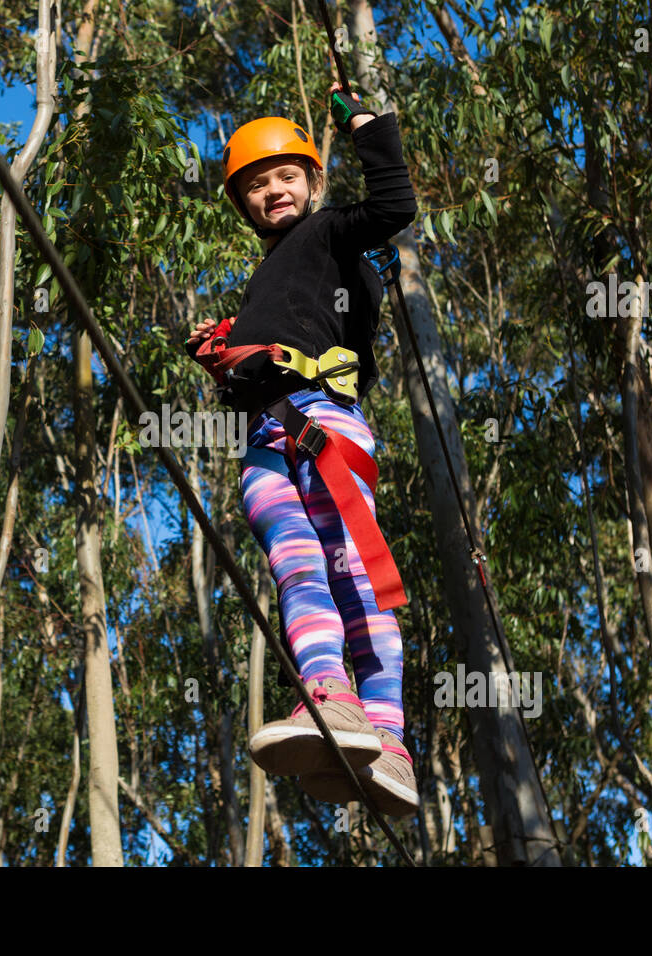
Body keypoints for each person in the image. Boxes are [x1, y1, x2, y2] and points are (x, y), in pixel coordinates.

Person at [186, 84, 418, 817]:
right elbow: (295, 323)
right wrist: (232, 351)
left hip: (325, 424)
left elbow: (392, 211)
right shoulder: (277, 271)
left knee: (351, 572)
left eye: (286, 176)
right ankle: (328, 690)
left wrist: (373, 134)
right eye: (256, 184)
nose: (272, 190)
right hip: (267, 435)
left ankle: (388, 733)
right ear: (242, 205)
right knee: (294, 560)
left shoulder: (329, 237)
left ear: (315, 183)